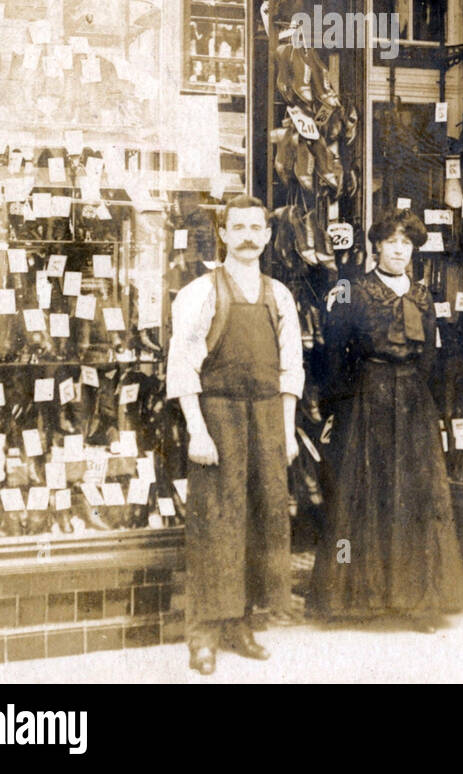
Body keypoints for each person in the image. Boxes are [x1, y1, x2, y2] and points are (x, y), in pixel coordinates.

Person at [309, 209, 463, 629]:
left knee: (413, 496)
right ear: (376, 246)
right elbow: (333, 352)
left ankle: (417, 600)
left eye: (407, 243)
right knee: (362, 495)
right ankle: (355, 599)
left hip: (412, 402)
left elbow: (431, 357)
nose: (399, 250)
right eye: (392, 241)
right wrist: (337, 408)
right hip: (365, 398)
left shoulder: (422, 294)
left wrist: (425, 401)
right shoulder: (349, 289)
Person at [166, 195, 304, 675]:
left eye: (256, 227)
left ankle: (240, 623)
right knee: (216, 523)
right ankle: (203, 634)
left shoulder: (279, 294)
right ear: (222, 234)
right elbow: (183, 366)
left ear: (267, 235)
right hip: (219, 415)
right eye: (238, 227)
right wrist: (197, 431)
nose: (248, 235)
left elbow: (291, 369)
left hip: (266, 417)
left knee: (261, 519)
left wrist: (286, 432)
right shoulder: (202, 292)